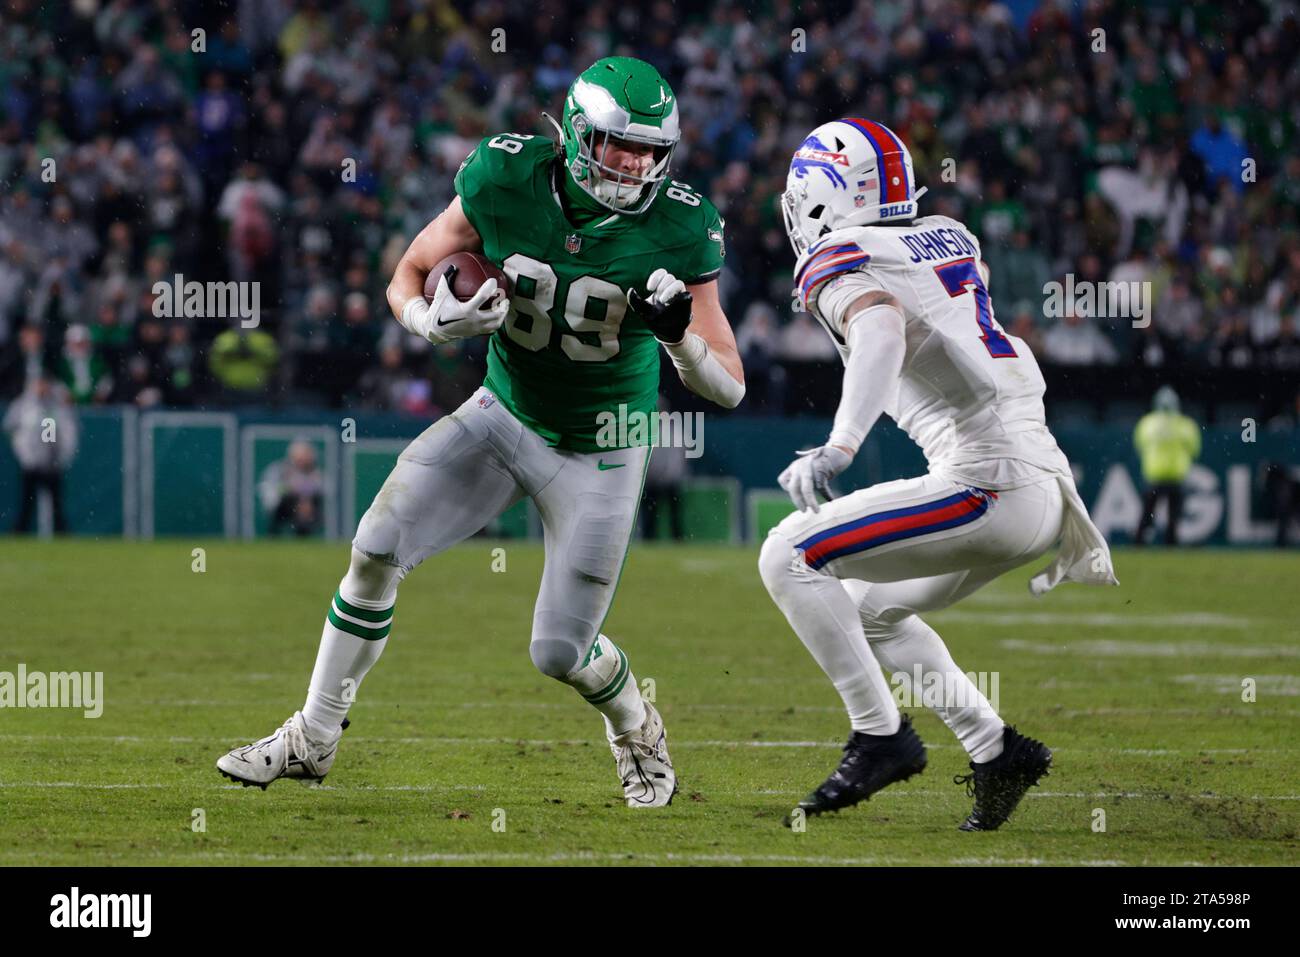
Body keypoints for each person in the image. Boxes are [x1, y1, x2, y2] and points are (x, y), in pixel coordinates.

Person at [217, 58, 745, 808]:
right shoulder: (506, 177)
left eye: (647, 151)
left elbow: (728, 381)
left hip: (604, 446)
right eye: (616, 144)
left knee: (559, 652)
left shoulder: (682, 224)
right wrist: (428, 322)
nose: (632, 164)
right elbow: (408, 272)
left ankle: (636, 723)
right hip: (503, 413)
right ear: (573, 134)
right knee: (374, 546)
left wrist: (679, 338)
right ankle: (313, 736)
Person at [759, 118, 1117, 831]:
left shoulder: (839, 254)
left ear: (824, 198)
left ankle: (880, 734)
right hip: (1044, 490)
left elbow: (883, 327)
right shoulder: (952, 234)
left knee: (788, 553)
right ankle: (996, 749)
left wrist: (840, 443)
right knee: (870, 608)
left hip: (987, 484)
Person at [4, 375, 79, 534]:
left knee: (55, 502)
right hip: (30, 463)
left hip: (49, 463)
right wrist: (23, 450)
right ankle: (20, 530)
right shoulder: (25, 405)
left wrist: (56, 456)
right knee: (27, 502)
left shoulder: (52, 407)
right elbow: (10, 426)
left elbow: (54, 435)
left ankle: (60, 530)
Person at [1133, 386, 1201, 546]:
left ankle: (1138, 543)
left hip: (1154, 476)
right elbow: (1194, 450)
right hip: (1176, 476)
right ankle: (1171, 545)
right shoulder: (1186, 425)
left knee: (1147, 515)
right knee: (1174, 517)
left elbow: (1140, 446)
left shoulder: (1147, 423)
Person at [259, 440, 326, 537]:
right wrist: (292, 491)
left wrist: (305, 498)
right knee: (288, 502)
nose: (303, 459)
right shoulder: (280, 470)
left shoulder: (315, 473)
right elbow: (271, 489)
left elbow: (321, 488)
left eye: (306, 455)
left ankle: (303, 534)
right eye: (300, 455)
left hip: (306, 507)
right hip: (284, 505)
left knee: (310, 505)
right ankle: (273, 536)